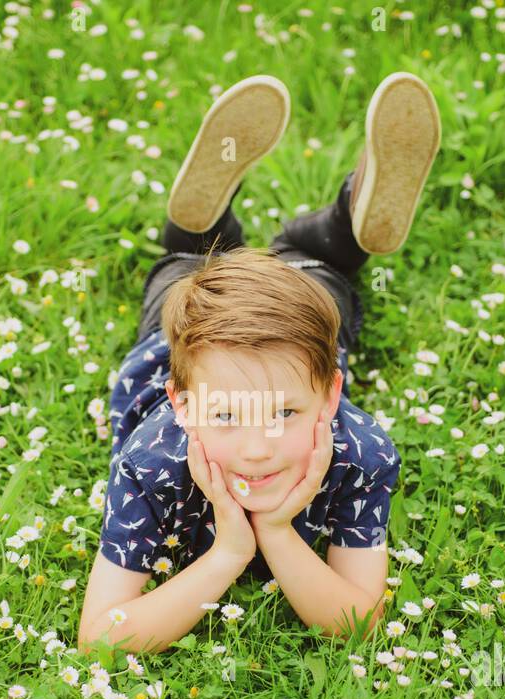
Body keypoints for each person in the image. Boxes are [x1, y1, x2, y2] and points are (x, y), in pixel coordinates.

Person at [78, 72, 441, 654]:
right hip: (175, 351)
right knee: (231, 271)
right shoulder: (152, 462)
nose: (257, 448)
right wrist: (227, 554)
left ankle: (250, 218)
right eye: (226, 417)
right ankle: (316, 216)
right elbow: (99, 640)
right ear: (183, 406)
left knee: (256, 270)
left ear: (331, 397)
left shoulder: (361, 453)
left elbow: (362, 624)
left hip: (290, 344)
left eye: (285, 413)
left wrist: (274, 531)